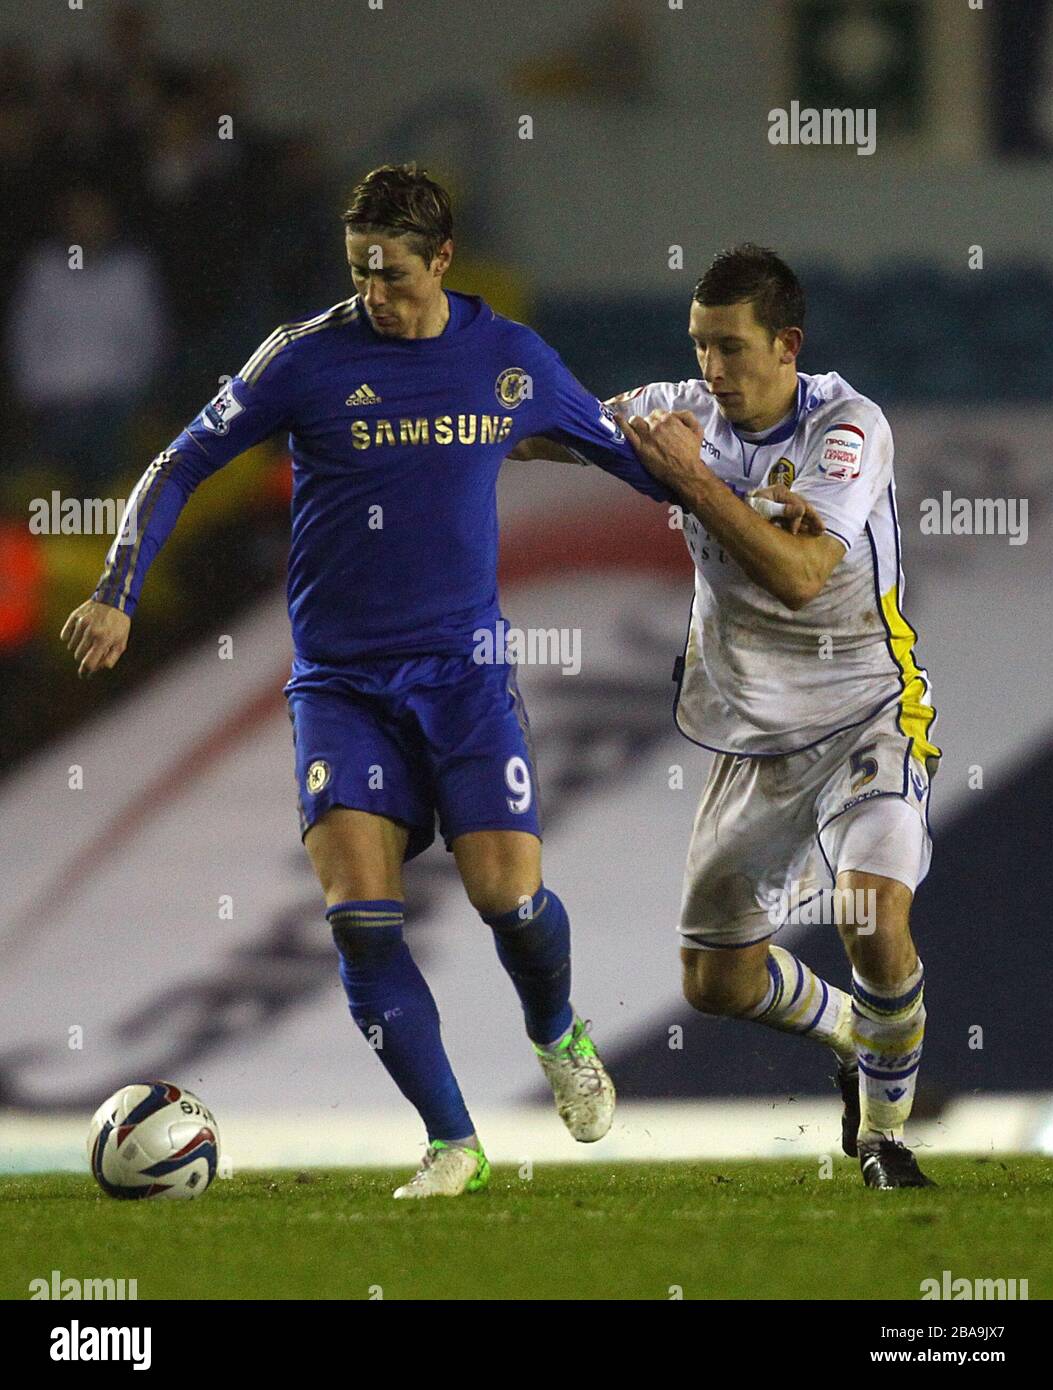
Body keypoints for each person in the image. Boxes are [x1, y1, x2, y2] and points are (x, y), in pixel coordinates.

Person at [60, 164, 674, 1198]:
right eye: (357, 273)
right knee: (358, 915)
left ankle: (555, 1029)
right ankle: (451, 1142)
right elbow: (179, 462)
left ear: (442, 260)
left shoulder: (509, 361)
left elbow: (630, 458)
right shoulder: (304, 359)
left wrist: (745, 497)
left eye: (390, 275)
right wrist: (120, 588)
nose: (372, 295)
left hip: (464, 679)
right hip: (340, 685)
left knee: (507, 900)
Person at [517, 244, 939, 1188]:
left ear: (786, 345)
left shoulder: (845, 428)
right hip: (753, 741)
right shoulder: (681, 413)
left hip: (868, 713)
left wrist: (693, 480)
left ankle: (884, 1140)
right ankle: (850, 1034)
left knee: (871, 918)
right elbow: (541, 430)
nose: (713, 369)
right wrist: (435, 418)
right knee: (716, 985)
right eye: (700, 347)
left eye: (732, 348)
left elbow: (798, 577)